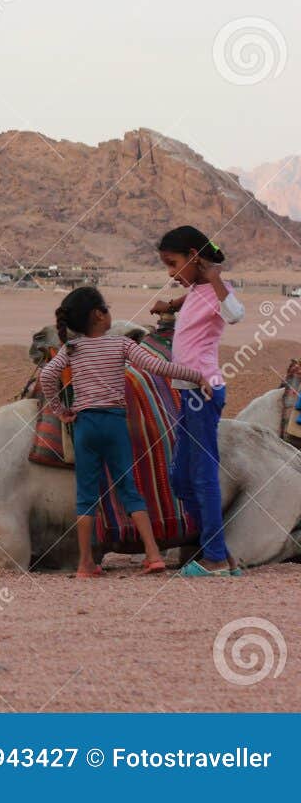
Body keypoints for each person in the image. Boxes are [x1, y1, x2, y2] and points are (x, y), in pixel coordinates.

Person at [39, 287, 205, 577]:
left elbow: (46, 375)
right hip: (115, 423)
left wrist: (60, 410)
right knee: (129, 488)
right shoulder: (121, 345)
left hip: (85, 425)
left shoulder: (71, 350)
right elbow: (158, 367)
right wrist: (197, 375)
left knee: (86, 496)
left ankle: (85, 564)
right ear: (99, 315)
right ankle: (153, 555)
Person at [153, 226, 245, 576]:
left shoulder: (217, 290)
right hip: (187, 392)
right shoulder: (197, 292)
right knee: (179, 476)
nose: (170, 273)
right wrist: (172, 304)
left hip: (204, 392)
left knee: (203, 474)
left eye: (173, 263)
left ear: (194, 256)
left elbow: (236, 314)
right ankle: (217, 547)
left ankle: (216, 558)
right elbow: (197, 303)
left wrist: (215, 277)